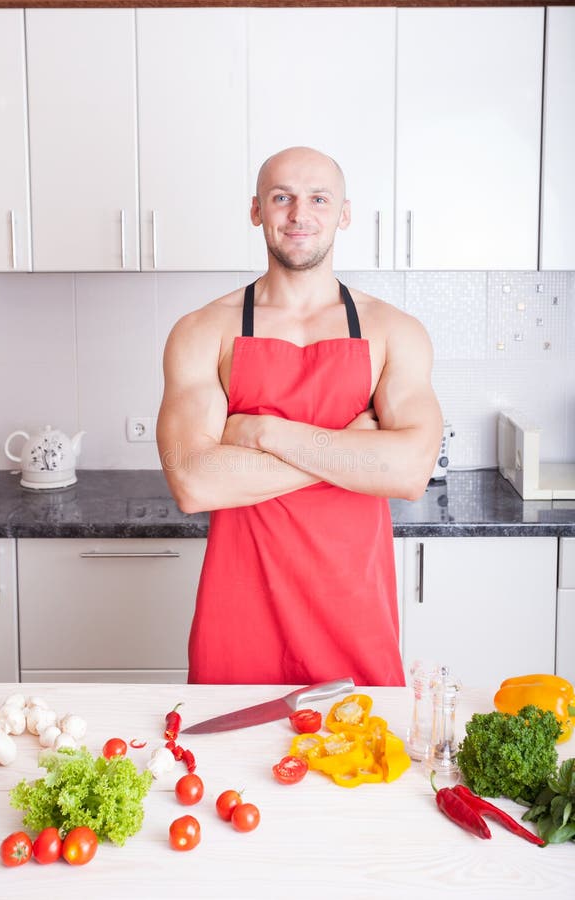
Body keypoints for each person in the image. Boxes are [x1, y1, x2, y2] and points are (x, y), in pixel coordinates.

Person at [157, 146, 443, 687]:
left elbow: (409, 472)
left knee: (362, 765)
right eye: (282, 197)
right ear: (256, 210)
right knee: (225, 771)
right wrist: (352, 450)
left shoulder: (392, 331)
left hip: (354, 608)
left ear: (344, 213)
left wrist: (262, 432)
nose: (299, 214)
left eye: (318, 199)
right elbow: (193, 481)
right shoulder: (202, 330)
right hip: (239, 608)